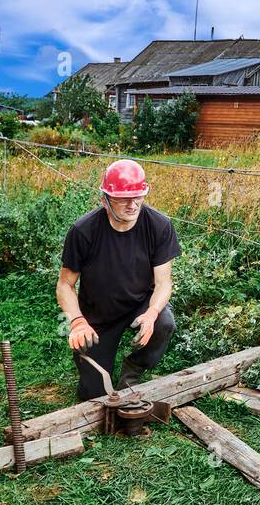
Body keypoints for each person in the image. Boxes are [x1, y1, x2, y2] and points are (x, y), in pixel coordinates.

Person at [57, 159, 181, 402]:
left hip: (139, 304)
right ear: (105, 199)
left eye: (138, 196)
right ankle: (96, 367)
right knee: (93, 396)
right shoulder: (84, 231)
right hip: (98, 314)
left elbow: (164, 283)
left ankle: (133, 371)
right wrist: (78, 322)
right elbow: (65, 284)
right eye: (123, 198)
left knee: (164, 322)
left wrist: (152, 313)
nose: (132, 204)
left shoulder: (159, 225)